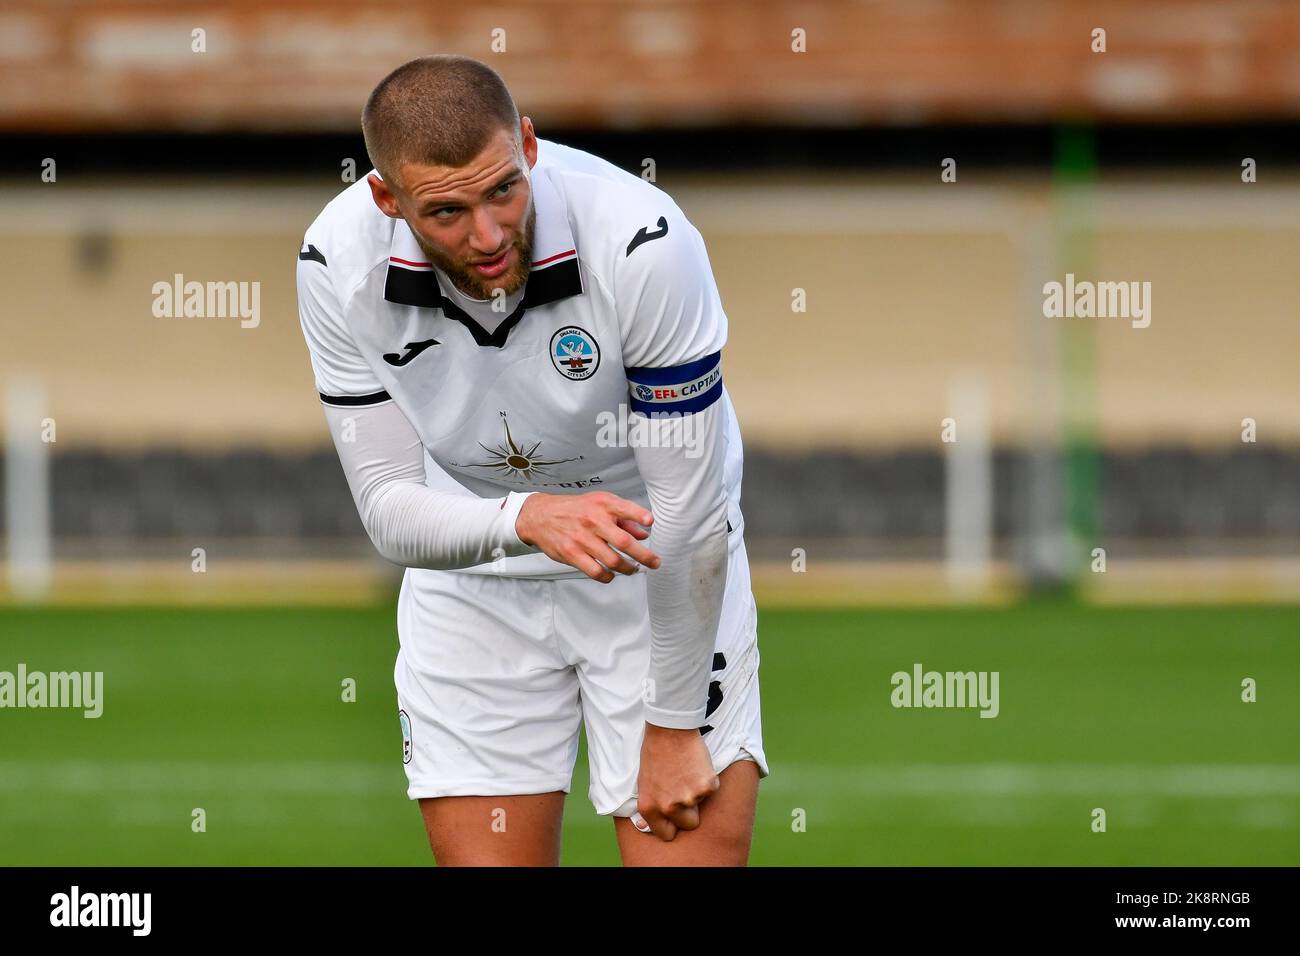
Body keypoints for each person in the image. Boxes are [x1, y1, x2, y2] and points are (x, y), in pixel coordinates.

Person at [295, 54, 767, 866]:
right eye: (445, 211)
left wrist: (675, 721)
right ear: (386, 197)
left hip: (658, 573)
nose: (487, 235)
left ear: (527, 143)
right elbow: (387, 511)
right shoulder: (336, 263)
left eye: (503, 190)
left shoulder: (643, 243)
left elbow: (689, 512)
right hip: (473, 581)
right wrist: (529, 519)